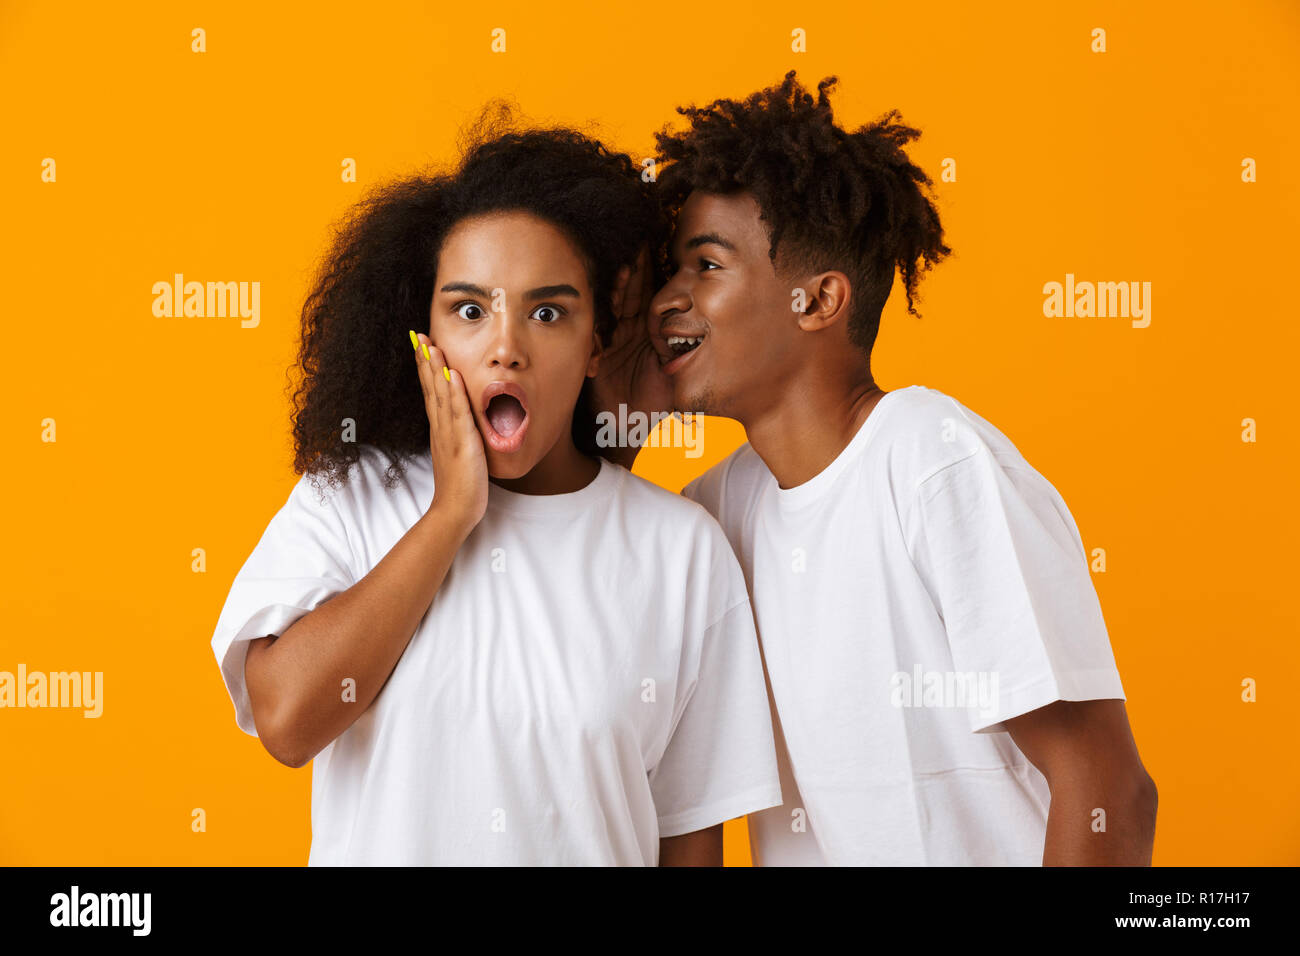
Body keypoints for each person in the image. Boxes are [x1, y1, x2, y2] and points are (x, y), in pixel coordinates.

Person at [600, 71, 1158, 865]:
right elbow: (591, 552)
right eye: (669, 276)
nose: (667, 301)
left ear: (820, 301)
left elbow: (1110, 791)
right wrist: (635, 401)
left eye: (707, 267)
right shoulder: (716, 512)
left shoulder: (931, 463)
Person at [208, 106, 782, 866]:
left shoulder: (681, 552)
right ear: (427, 337)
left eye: (548, 312)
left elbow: (690, 846)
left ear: (593, 344)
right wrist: (450, 515)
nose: (505, 347)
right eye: (470, 310)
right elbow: (285, 720)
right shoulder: (353, 496)